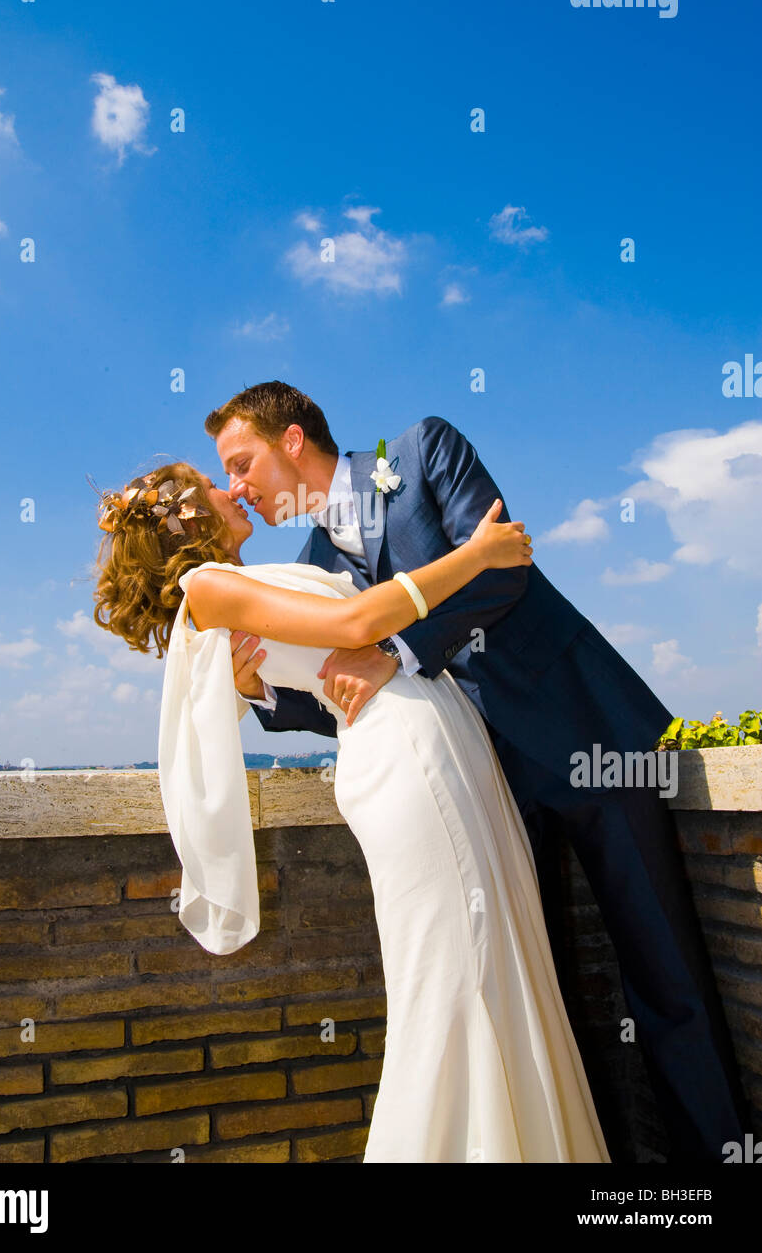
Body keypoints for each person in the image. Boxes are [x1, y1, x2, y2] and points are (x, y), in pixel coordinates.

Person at [204, 380, 751, 1163]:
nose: (237, 487)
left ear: (291, 438)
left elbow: (501, 570)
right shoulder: (312, 566)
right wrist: (255, 686)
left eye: (241, 461)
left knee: (666, 979)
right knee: (542, 997)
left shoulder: (423, 450)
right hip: (475, 787)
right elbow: (340, 697)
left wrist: (395, 649)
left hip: (585, 739)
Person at [92, 460, 610, 1162]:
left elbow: (323, 651)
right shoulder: (207, 585)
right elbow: (357, 620)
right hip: (405, 760)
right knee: (453, 971)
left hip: (438, 740)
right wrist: (474, 556)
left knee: (493, 951)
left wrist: (252, 682)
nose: (235, 489)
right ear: (191, 513)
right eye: (218, 485)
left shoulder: (240, 581)